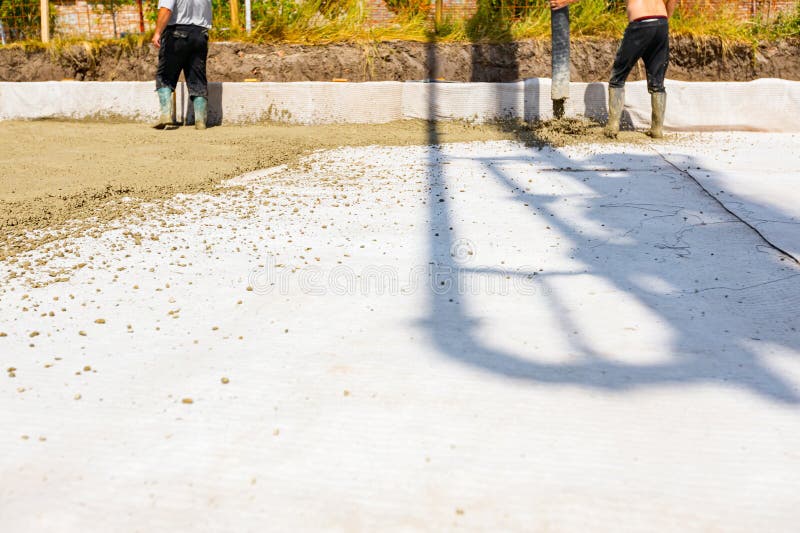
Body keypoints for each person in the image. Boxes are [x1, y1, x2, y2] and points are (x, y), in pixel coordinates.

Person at [549, 0, 677, 138]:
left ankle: (612, 126)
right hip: (661, 23)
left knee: (618, 77)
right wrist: (664, 20)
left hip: (640, 23)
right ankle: (657, 129)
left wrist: (565, 1)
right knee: (657, 81)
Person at [151, 0, 212, 129]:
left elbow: (166, 9)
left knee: (165, 76)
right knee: (197, 78)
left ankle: (166, 115)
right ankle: (200, 121)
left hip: (176, 33)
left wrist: (157, 32)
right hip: (200, 34)